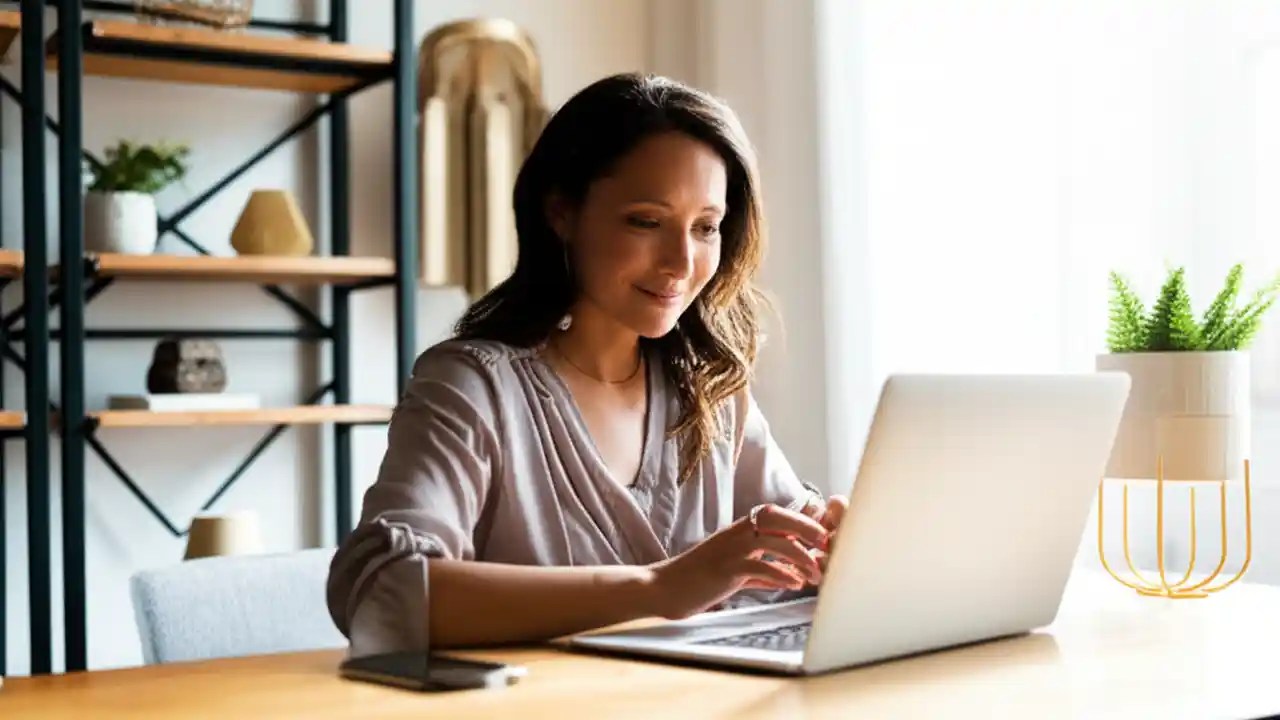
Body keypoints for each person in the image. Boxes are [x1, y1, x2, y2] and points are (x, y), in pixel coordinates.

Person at [326, 72, 850, 656]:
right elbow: (385, 589)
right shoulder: (473, 387)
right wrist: (658, 587)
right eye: (646, 221)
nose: (682, 261)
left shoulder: (710, 392)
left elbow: (791, 552)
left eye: (705, 228)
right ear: (562, 212)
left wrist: (846, 550)